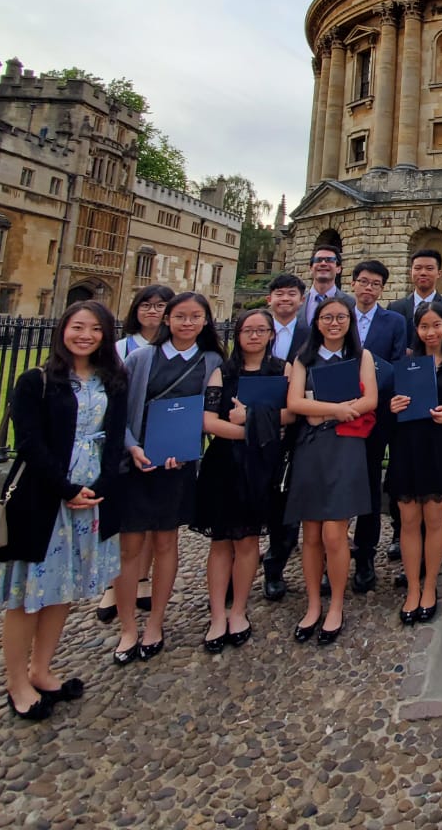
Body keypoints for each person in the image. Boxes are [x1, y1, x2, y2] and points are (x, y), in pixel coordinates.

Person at [0, 300, 126, 719]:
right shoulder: (36, 380)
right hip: (43, 497)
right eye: (78, 327)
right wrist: (65, 488)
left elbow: (114, 438)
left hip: (90, 498)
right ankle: (16, 682)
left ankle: (41, 670)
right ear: (63, 329)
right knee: (28, 595)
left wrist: (100, 486)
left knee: (63, 590)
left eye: (95, 329)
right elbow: (29, 443)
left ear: (105, 335)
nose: (85, 335)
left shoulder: (112, 380)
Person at [112, 292, 223, 664]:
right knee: (129, 548)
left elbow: (210, 414)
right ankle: (128, 628)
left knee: (165, 543)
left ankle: (155, 623)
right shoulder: (140, 358)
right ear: (167, 320)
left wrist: (189, 449)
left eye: (195, 316)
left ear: (205, 321)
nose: (187, 323)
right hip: (137, 464)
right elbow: (118, 413)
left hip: (178, 466)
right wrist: (132, 447)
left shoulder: (212, 362)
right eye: (180, 316)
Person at [195, 308, 291, 652]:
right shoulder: (223, 372)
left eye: (261, 330)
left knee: (249, 541)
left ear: (270, 334)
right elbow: (209, 421)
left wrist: (250, 418)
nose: (254, 335)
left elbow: (292, 412)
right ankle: (217, 614)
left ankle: (238, 611)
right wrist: (251, 430)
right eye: (248, 330)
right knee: (221, 542)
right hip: (225, 462)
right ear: (238, 334)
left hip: (261, 465)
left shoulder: (282, 370)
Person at [285, 294, 378, 644]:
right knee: (310, 533)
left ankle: (336, 604)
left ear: (350, 322)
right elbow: (295, 402)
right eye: (327, 317)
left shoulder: (361, 356)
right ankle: (313, 605)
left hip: (345, 444)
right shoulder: (304, 357)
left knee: (335, 533)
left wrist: (326, 411)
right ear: (317, 322)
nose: (334, 323)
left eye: (341, 317)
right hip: (311, 447)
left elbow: (370, 400)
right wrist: (336, 409)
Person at [385, 302, 442, 624]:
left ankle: (430, 585)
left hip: (439, 447)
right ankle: (413, 588)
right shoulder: (405, 365)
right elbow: (388, 409)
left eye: (436, 325)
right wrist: (392, 407)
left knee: (435, 520)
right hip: (407, 447)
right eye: (424, 326)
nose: (430, 332)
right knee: (408, 520)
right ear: (416, 330)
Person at [96, 284, 172, 624]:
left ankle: (142, 578)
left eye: (160, 305)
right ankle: (112, 585)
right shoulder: (122, 348)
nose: (153, 311)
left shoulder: (177, 348)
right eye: (146, 305)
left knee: (155, 522)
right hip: (126, 446)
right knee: (125, 522)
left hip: (164, 445)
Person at [348, 259, 409, 594]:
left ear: (382, 289)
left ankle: (365, 555)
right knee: (340, 483)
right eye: (363, 282)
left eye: (375, 284)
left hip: (378, 413)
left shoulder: (394, 321)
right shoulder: (339, 316)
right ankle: (332, 556)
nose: (368, 288)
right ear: (353, 284)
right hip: (341, 413)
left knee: (371, 482)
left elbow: (398, 364)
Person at [260, 273, 309, 602]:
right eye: (279, 293)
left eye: (292, 294)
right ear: (270, 299)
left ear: (301, 300)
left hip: (296, 426)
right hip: (252, 427)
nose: (285, 299)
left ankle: (275, 566)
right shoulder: (254, 329)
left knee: (287, 500)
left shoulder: (309, 334)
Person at [387, 248, 442, 324]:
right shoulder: (394, 308)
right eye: (418, 268)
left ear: (439, 273)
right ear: (411, 272)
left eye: (429, 268)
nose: (423, 273)